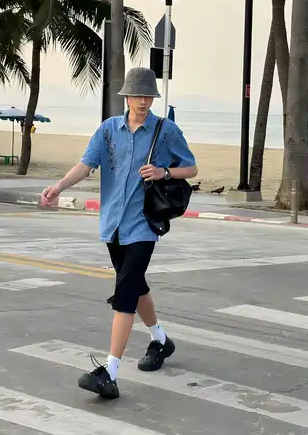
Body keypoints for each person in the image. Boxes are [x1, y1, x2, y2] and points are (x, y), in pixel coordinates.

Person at [41, 67, 197, 400]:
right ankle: (160, 341)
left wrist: (163, 171)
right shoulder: (109, 130)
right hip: (112, 223)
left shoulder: (165, 131)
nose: (143, 101)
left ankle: (110, 372)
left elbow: (191, 167)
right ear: (126, 97)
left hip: (144, 224)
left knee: (125, 291)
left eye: (148, 96)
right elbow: (86, 165)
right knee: (135, 285)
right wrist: (58, 187)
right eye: (137, 95)